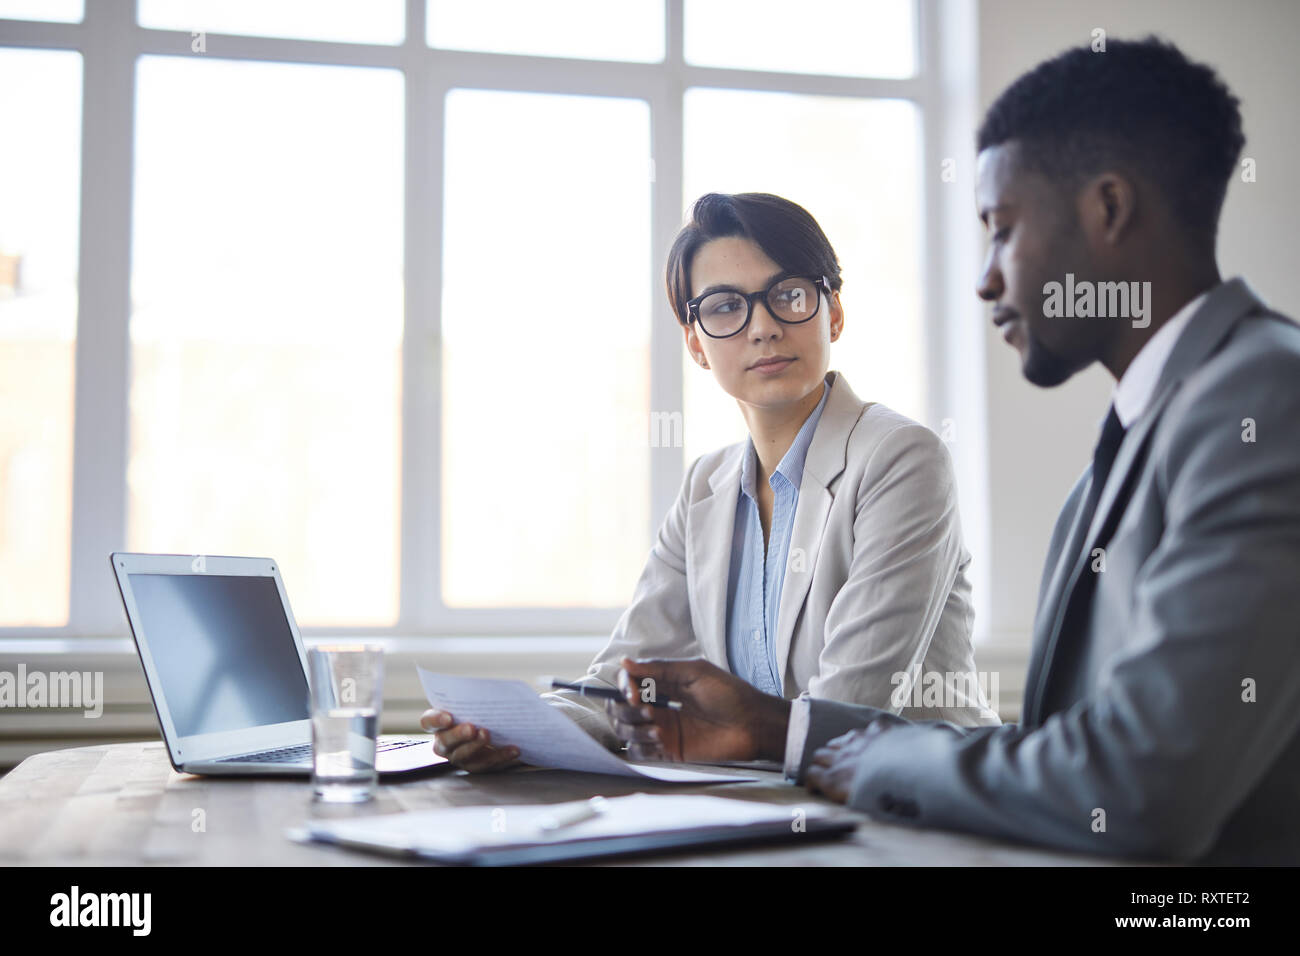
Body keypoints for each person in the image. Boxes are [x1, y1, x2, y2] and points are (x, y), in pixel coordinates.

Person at [612, 37, 1300, 864]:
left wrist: (869, 749)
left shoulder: (1265, 402)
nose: (983, 279)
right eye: (724, 309)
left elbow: (1142, 782)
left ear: (1108, 209)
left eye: (1002, 229)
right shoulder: (1120, 458)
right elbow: (1076, 748)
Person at [421, 192, 999, 771]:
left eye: (790, 295)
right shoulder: (706, 485)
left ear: (835, 312)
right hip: (773, 809)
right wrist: (511, 730)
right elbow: (624, 677)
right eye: (726, 307)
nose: (765, 328)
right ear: (696, 342)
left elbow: (852, 706)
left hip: (917, 810)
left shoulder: (900, 457)